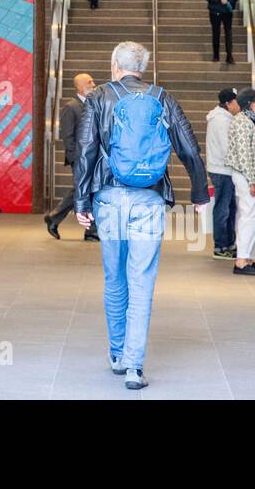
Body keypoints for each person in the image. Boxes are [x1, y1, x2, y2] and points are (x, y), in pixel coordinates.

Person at [73, 41, 208, 390]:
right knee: (142, 280)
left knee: (114, 277)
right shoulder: (163, 98)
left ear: (115, 65)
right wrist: (198, 193)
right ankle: (134, 366)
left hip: (110, 199)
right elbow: (189, 147)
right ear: (141, 68)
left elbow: (85, 149)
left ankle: (117, 354)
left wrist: (81, 201)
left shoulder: (100, 97)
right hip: (149, 200)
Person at [44, 73, 98, 241]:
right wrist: (76, 159)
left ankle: (54, 217)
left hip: (94, 157)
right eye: (90, 82)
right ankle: (91, 231)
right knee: (86, 191)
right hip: (80, 159)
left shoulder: (93, 105)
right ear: (81, 87)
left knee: (83, 190)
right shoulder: (71, 107)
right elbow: (67, 136)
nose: (94, 84)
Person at [226, 87, 255, 276]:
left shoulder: (251, 121)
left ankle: (249, 257)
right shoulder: (242, 122)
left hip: (254, 174)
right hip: (247, 175)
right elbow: (244, 154)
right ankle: (241, 260)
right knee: (249, 216)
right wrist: (251, 181)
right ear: (250, 103)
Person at [205, 87, 241, 260]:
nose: (238, 105)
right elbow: (228, 148)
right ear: (228, 103)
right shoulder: (221, 121)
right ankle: (220, 246)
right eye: (235, 101)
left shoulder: (224, 118)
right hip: (222, 170)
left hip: (224, 169)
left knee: (229, 208)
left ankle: (228, 244)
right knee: (223, 208)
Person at [204, 0, 239, 64]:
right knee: (216, 33)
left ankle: (229, 56)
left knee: (228, 34)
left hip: (227, 12)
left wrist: (228, 0)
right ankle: (216, 55)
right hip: (215, 12)